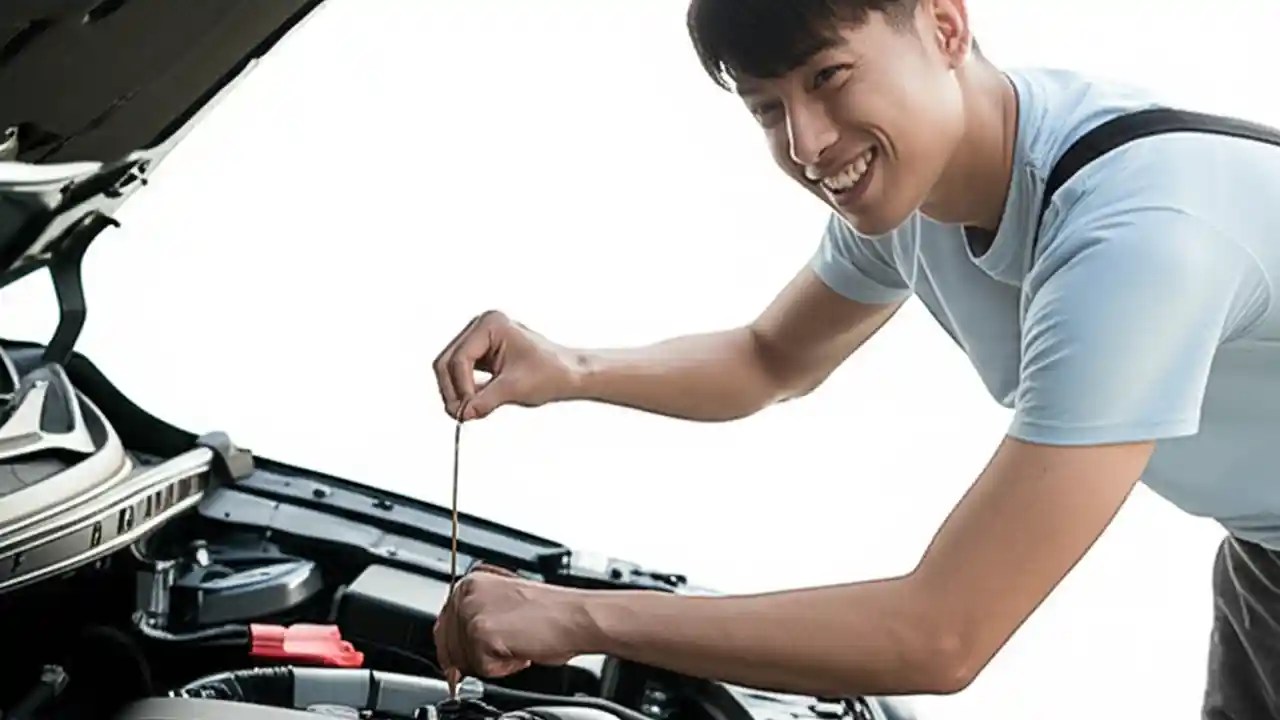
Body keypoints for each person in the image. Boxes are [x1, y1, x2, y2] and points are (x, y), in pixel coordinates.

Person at [431, 0, 1280, 716]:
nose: (806, 144)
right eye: (767, 108)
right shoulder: (925, 186)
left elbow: (941, 634)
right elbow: (770, 359)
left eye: (828, 78)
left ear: (945, 26)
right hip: (1263, 557)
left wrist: (578, 618)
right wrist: (569, 370)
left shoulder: (1137, 240)